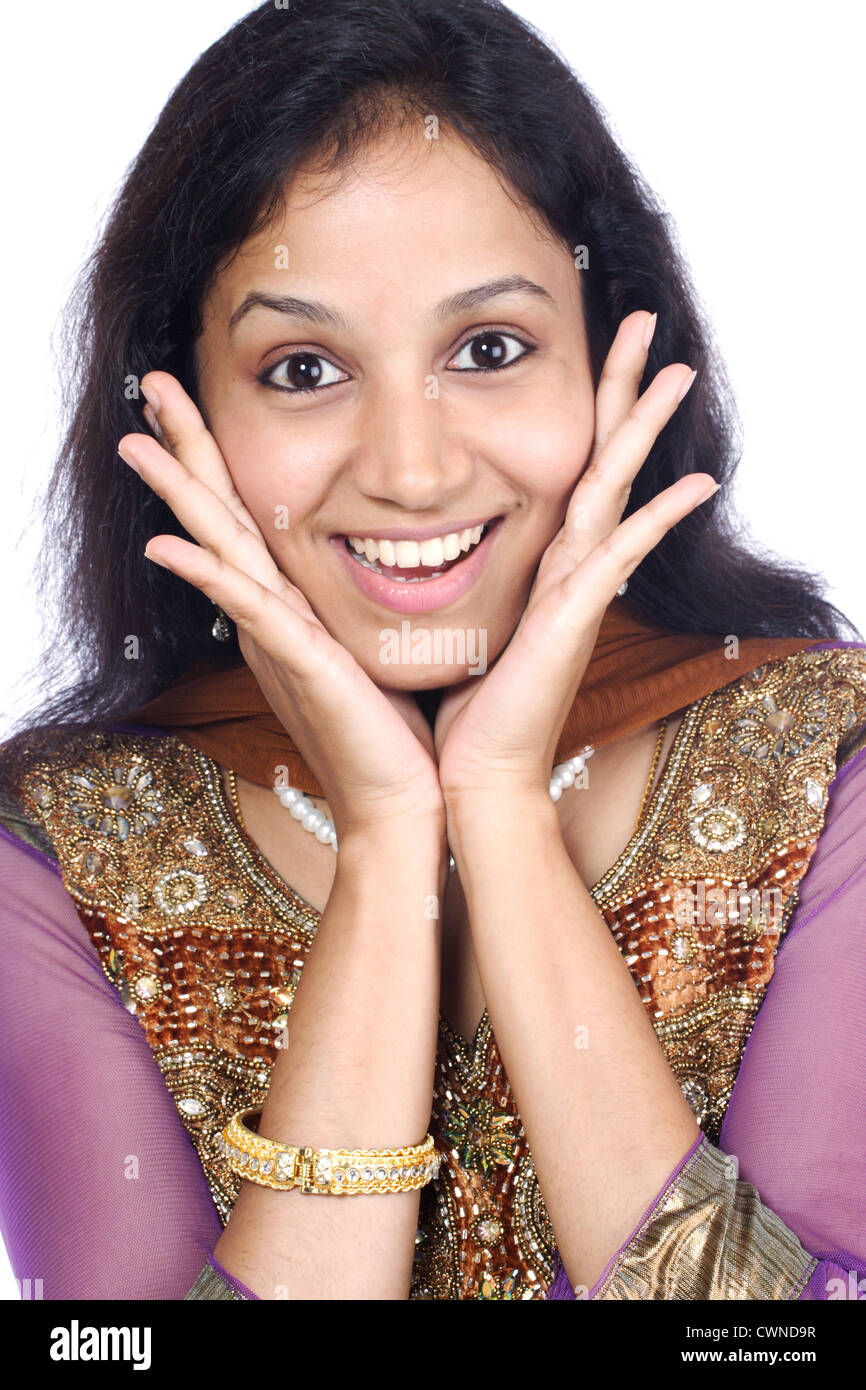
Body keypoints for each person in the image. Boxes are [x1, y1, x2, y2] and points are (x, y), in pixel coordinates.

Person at [0, 0, 864, 1302]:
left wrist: (503, 809)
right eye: (300, 368)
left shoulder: (821, 769)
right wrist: (389, 833)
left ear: (617, 359)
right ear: (176, 410)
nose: (412, 470)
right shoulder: (59, 855)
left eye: (490, 349)